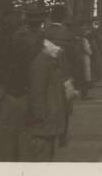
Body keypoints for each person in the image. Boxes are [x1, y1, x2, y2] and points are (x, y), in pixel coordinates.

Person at [28, 24, 77, 161]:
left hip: (49, 122)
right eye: (56, 45)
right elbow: (37, 94)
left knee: (48, 157)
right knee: (42, 158)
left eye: (62, 46)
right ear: (45, 43)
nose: (60, 49)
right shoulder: (41, 64)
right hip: (43, 125)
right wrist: (42, 119)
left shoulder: (51, 61)